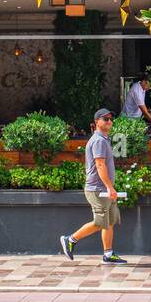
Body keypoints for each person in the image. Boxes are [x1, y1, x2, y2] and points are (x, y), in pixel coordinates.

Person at [59, 109, 126, 265]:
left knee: (109, 221)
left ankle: (108, 254)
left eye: (111, 119)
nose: (109, 121)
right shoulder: (98, 141)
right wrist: (110, 187)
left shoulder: (104, 139)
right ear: (97, 122)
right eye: (106, 119)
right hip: (97, 189)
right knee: (100, 222)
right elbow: (100, 165)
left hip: (103, 189)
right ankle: (70, 239)